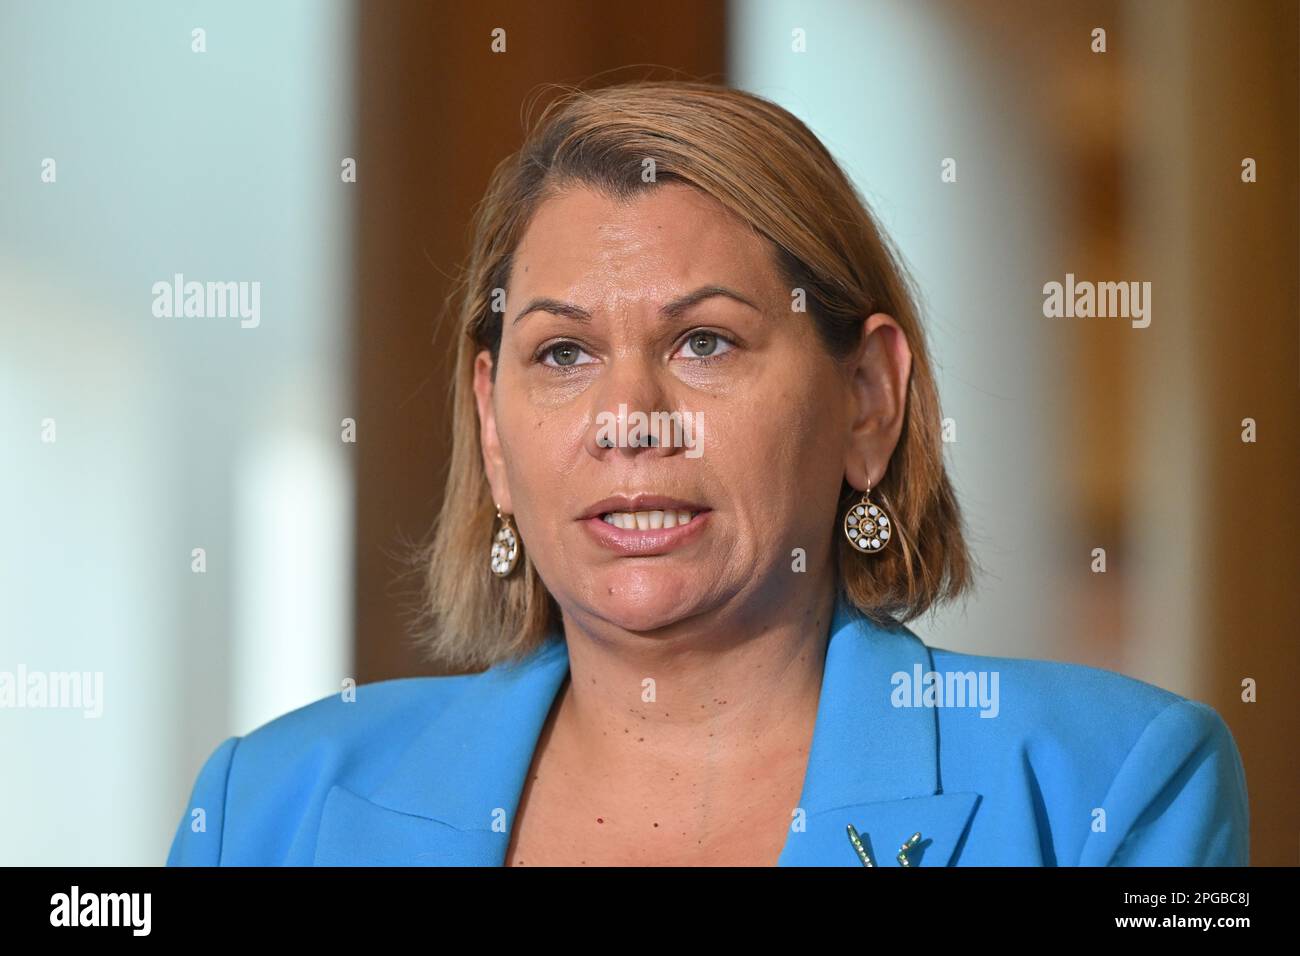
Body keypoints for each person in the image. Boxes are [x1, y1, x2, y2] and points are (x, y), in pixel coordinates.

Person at [167, 81, 1248, 866]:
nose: (629, 420)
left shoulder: (1112, 787)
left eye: (706, 343)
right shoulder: (270, 807)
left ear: (867, 397)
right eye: (563, 354)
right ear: (495, 435)